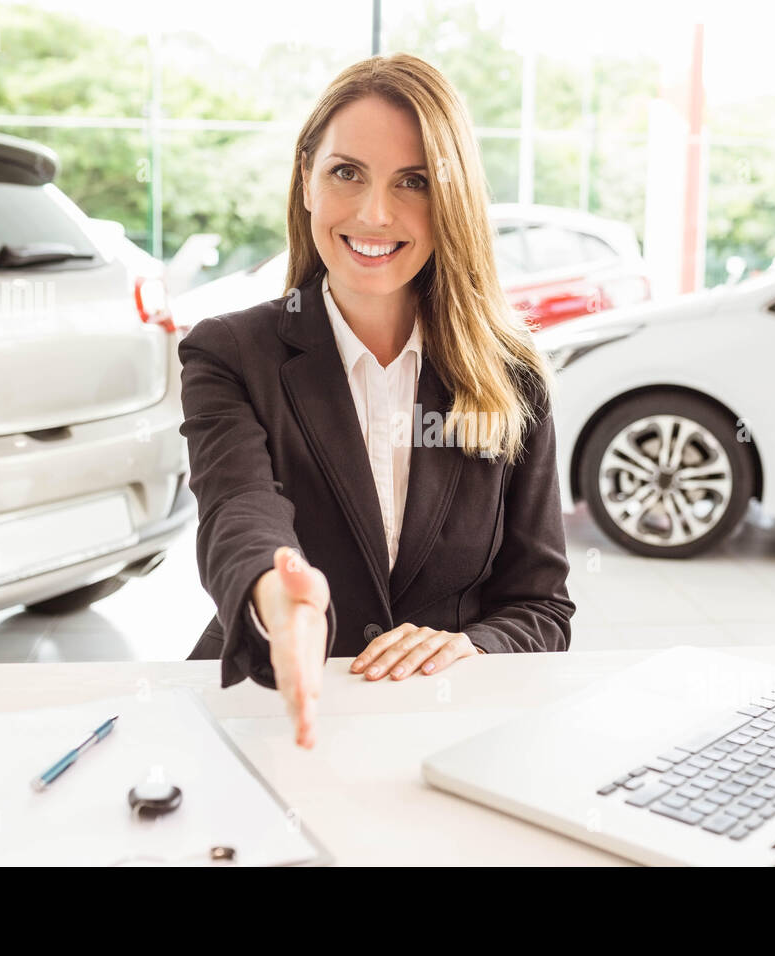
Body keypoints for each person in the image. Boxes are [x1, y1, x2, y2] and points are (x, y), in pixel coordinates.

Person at [179, 53, 574, 749]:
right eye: (346, 172)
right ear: (306, 179)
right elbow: (239, 510)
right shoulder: (230, 353)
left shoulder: (513, 376)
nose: (374, 213)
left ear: (449, 197)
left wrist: (474, 647)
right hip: (268, 711)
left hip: (439, 728)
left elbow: (539, 603)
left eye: (413, 182)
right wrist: (280, 596)